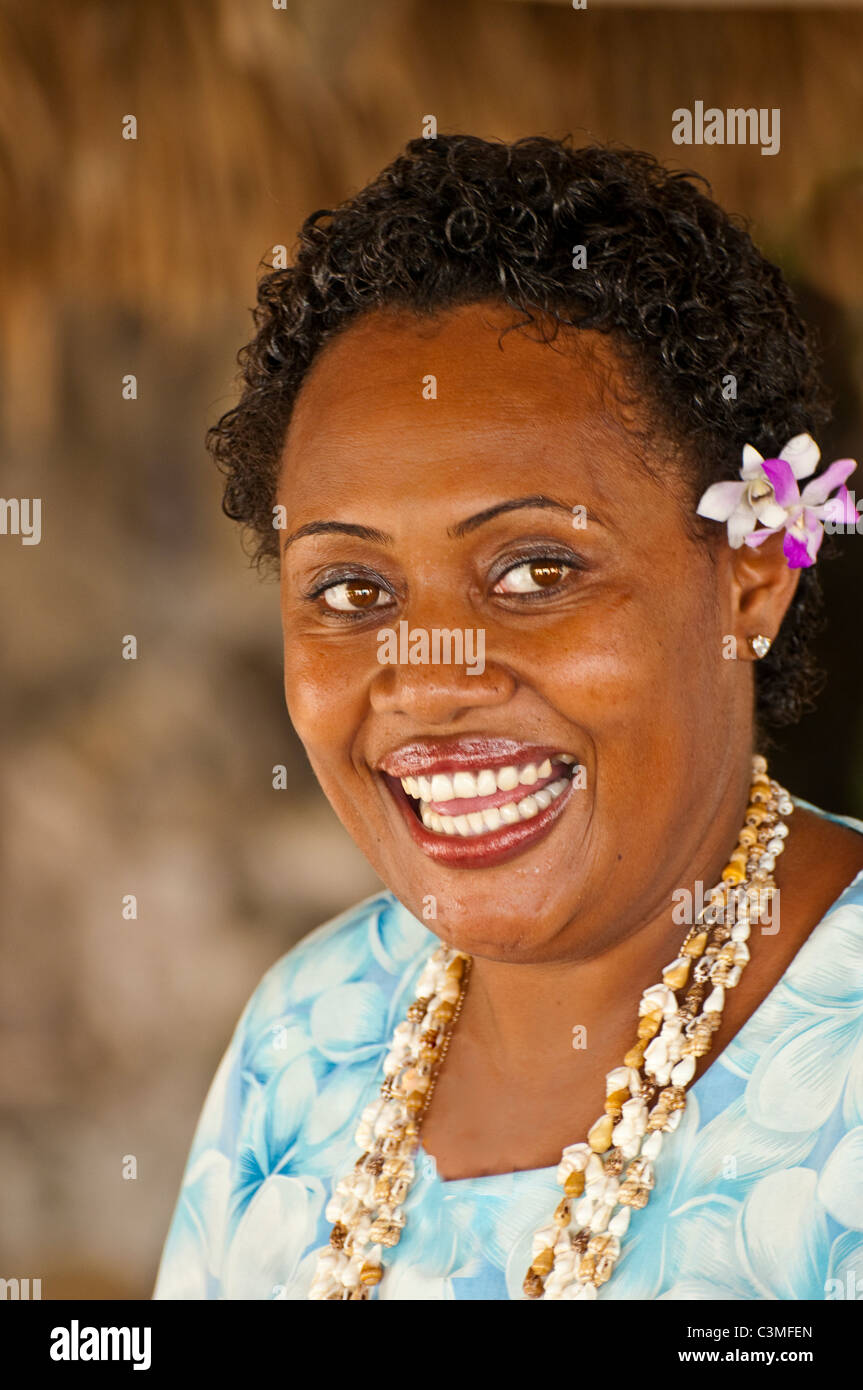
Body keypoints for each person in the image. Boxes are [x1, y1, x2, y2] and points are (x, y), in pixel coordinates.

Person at [153, 135, 863, 1300]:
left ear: (751, 573)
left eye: (535, 570)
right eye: (350, 591)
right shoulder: (304, 1042)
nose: (426, 679)